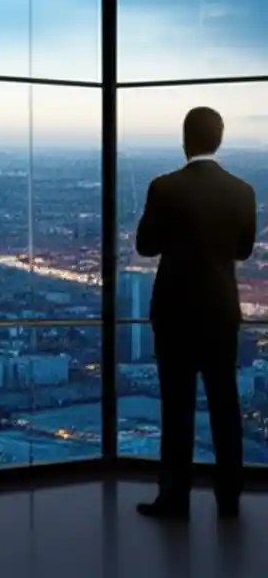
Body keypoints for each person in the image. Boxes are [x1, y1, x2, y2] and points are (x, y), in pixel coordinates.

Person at [135, 106, 256, 521]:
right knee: (225, 405)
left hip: (174, 313)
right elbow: (243, 250)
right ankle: (229, 499)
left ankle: (174, 498)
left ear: (185, 140)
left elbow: (145, 246)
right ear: (219, 140)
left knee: (177, 408)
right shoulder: (242, 191)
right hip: (220, 312)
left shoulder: (164, 188)